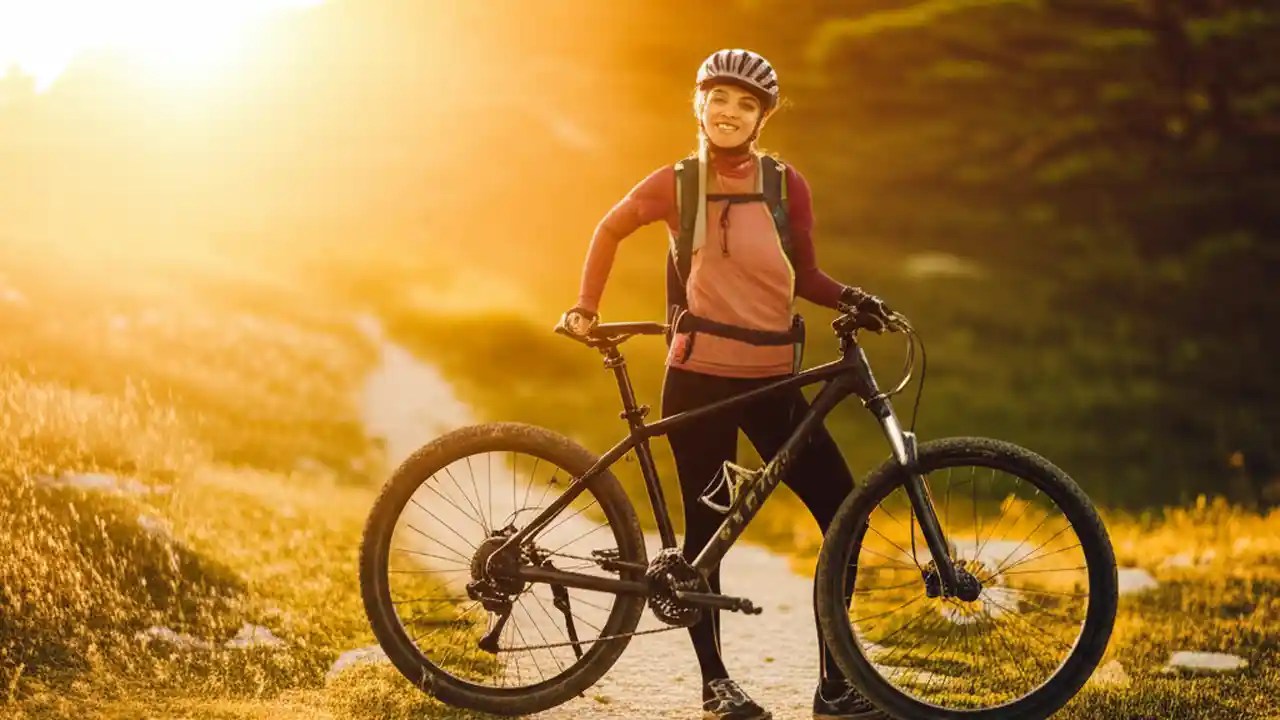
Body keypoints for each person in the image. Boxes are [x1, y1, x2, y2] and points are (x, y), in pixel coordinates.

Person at [558, 48, 893, 720]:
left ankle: (835, 685)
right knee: (705, 539)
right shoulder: (678, 182)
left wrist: (853, 298)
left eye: (746, 104)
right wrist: (586, 306)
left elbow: (809, 274)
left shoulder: (784, 184)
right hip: (699, 382)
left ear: (762, 117)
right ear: (700, 105)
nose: (730, 112)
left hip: (772, 380)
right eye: (719, 99)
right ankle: (716, 686)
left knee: (843, 512)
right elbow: (610, 227)